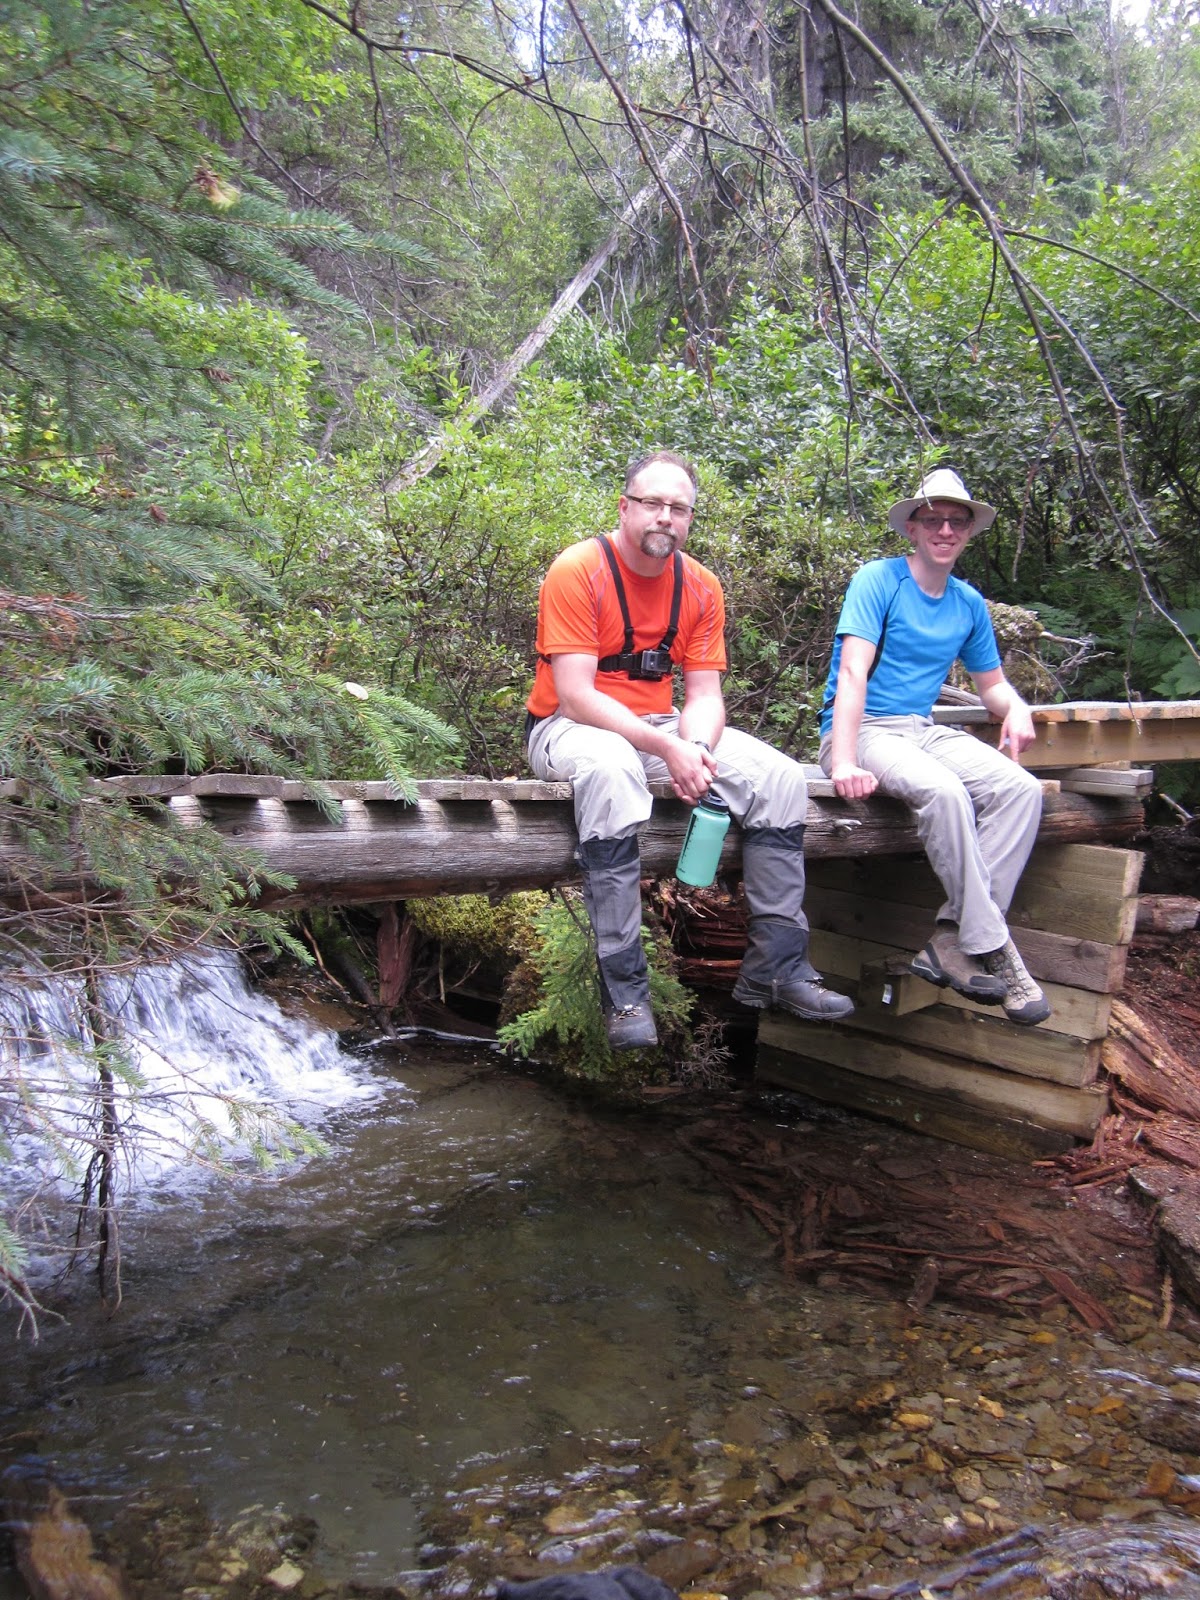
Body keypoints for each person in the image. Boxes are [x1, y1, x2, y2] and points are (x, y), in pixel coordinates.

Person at [525, 449, 853, 1050]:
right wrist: (662, 745)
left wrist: (694, 747)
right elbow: (573, 694)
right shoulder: (578, 570)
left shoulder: (699, 586)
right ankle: (624, 991)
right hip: (568, 728)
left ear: (690, 518)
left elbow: (704, 694)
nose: (664, 518)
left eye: (678, 508)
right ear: (625, 507)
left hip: (661, 724)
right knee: (612, 767)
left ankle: (776, 968)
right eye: (651, 504)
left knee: (780, 778)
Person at [818, 467, 1051, 1026]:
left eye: (956, 521)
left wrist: (1018, 708)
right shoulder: (879, 581)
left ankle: (952, 937)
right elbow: (852, 674)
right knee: (944, 793)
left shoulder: (968, 603)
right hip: (863, 729)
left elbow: (991, 685)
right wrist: (844, 759)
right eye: (934, 520)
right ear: (913, 529)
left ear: (968, 530)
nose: (945, 530)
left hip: (922, 729)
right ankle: (999, 952)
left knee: (1020, 789)